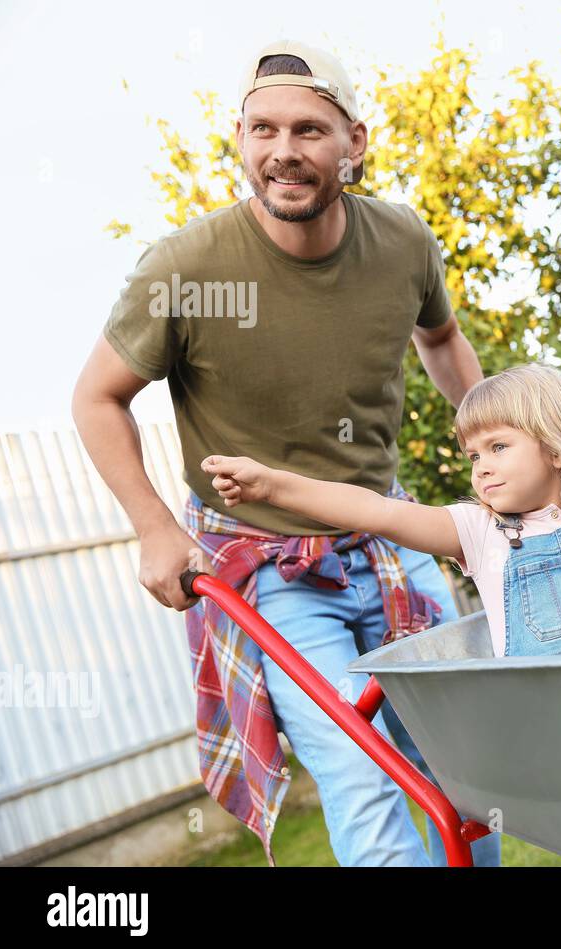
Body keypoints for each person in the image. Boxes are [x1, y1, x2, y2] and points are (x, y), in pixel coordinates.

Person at [70, 39, 497, 866]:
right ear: (240, 139)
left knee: (466, 762)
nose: (283, 153)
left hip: (388, 536)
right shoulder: (185, 266)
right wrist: (156, 527)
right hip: (270, 570)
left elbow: (441, 340)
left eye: (308, 129)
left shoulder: (403, 241)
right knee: (361, 774)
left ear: (355, 143)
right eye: (261, 129)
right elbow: (96, 397)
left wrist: (496, 438)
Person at [202, 363, 561, 659]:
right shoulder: (481, 530)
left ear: (556, 448)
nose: (482, 466)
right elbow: (374, 511)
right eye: (473, 456)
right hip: (549, 717)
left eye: (498, 447)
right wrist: (274, 485)